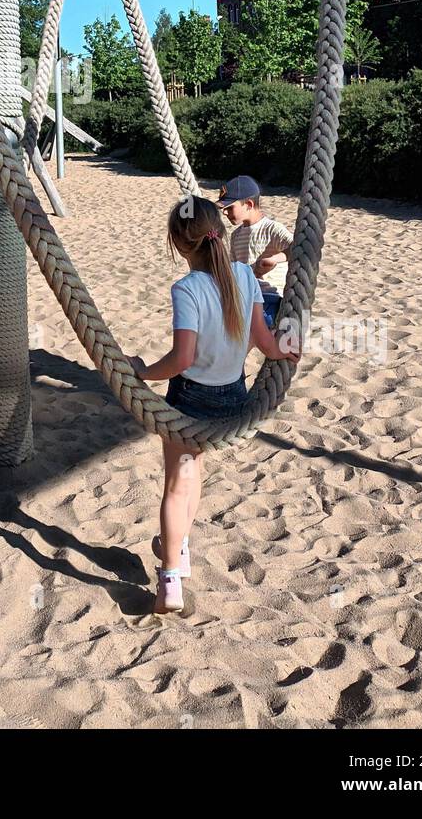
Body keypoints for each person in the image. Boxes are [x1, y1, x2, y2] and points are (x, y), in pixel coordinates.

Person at [130, 196, 299, 614]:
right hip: (233, 399)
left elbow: (182, 359)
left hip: (191, 400)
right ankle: (181, 550)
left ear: (177, 244)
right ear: (220, 235)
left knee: (175, 485)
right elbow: (263, 341)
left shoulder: (186, 289)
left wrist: (142, 372)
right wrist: (285, 349)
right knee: (194, 471)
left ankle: (170, 580)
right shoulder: (244, 275)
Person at [218, 174, 293, 329]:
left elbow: (297, 248)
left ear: (249, 204)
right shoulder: (236, 235)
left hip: (270, 298)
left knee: (251, 328)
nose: (224, 213)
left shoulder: (272, 229)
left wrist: (274, 259)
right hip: (245, 299)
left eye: (229, 208)